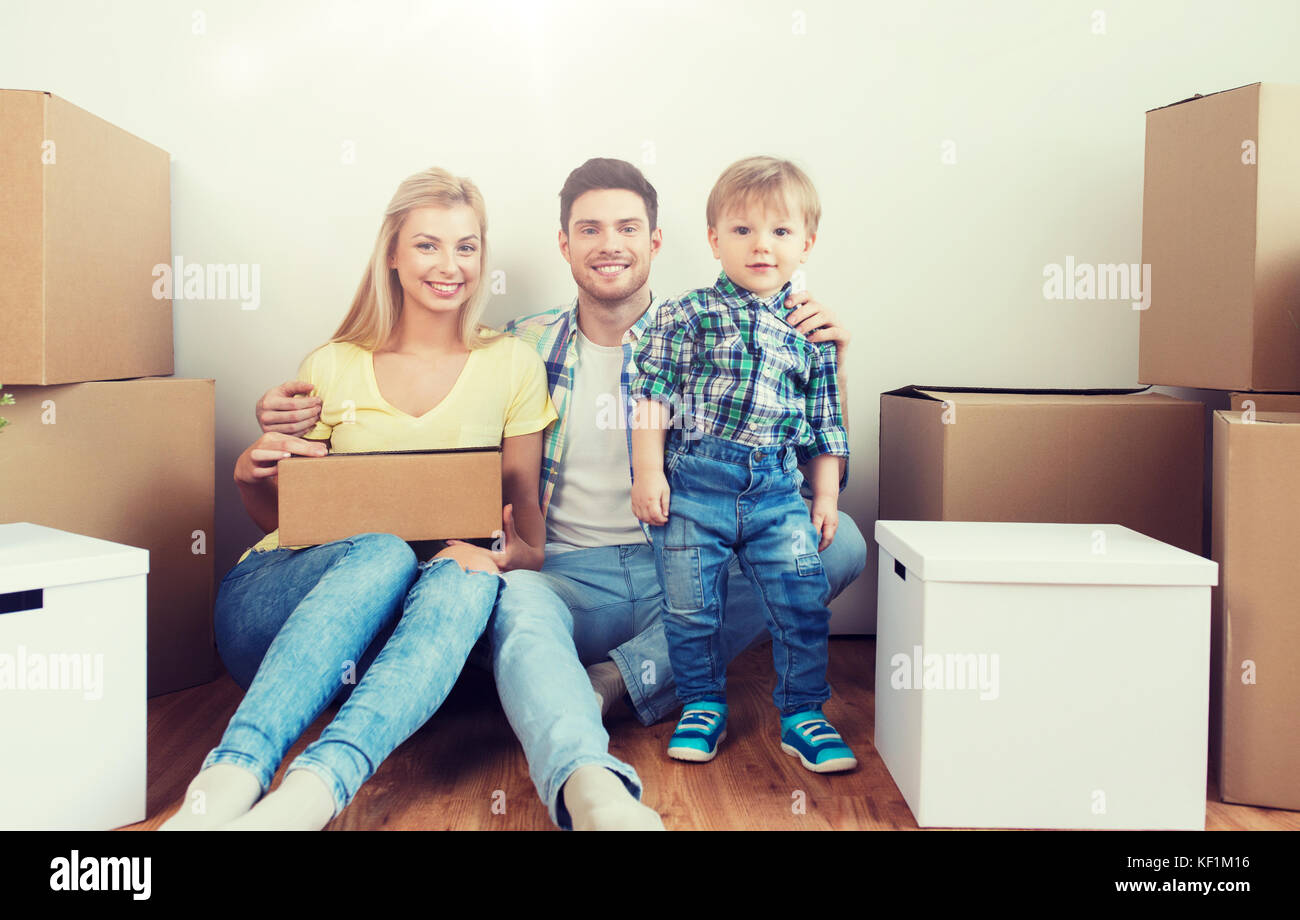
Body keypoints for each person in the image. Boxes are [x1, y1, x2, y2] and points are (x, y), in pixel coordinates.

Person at [255, 159, 866, 830]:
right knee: (515, 608)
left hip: (690, 565)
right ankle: (590, 782)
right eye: (589, 229)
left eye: (628, 228)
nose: (610, 244)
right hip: (565, 574)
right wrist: (288, 417)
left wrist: (822, 363)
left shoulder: (721, 335)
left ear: (656, 243)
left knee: (838, 548)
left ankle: (617, 682)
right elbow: (422, 395)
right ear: (564, 244)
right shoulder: (521, 345)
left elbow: (796, 488)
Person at [161, 167, 556, 831]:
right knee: (379, 550)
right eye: (429, 244)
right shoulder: (333, 363)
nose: (450, 265)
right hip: (279, 615)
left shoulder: (512, 364)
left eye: (467, 246)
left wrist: (505, 558)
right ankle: (225, 782)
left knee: (464, 580)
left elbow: (529, 538)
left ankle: (308, 797)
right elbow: (292, 526)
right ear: (393, 253)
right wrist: (248, 477)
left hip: (402, 649)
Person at [630, 155, 856, 773]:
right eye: (742, 231)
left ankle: (804, 712)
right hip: (695, 482)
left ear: (806, 242)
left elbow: (825, 421)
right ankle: (701, 702)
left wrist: (826, 495)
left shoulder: (811, 329)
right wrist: (648, 473)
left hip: (776, 486)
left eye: (780, 232)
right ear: (713, 239)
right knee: (691, 604)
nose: (762, 246)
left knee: (800, 598)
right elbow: (649, 393)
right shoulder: (688, 313)